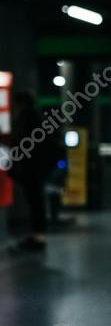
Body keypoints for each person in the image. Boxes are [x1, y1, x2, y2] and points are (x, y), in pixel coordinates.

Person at [5, 91, 54, 252]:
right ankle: (38, 236)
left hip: (30, 169)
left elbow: (19, 141)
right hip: (37, 169)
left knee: (34, 202)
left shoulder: (26, 118)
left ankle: (38, 237)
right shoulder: (38, 118)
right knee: (36, 202)